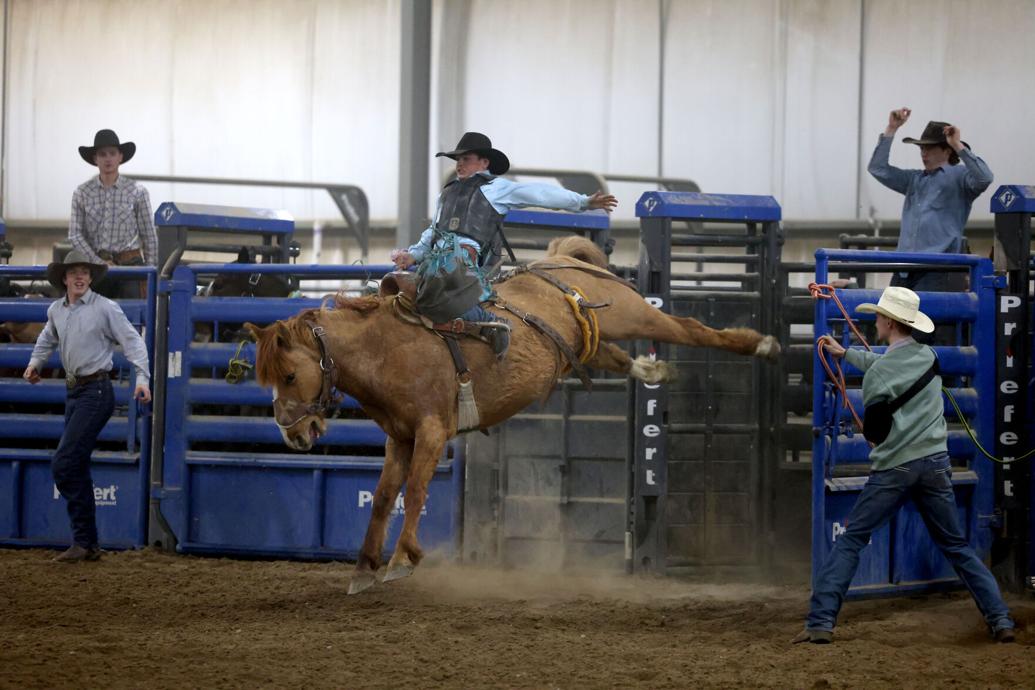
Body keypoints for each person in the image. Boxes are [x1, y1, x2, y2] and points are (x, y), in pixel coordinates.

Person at [793, 286, 1015, 645]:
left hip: (895, 469)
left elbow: (876, 430)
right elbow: (889, 366)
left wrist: (869, 430)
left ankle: (820, 622)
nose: (875, 321)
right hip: (936, 465)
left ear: (890, 323)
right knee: (957, 546)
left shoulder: (877, 377)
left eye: (879, 316)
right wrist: (847, 353)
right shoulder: (929, 357)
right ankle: (1000, 619)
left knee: (852, 540)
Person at [391, 132, 617, 357]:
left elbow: (541, 194)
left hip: (462, 259)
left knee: (439, 296)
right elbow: (434, 231)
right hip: (437, 260)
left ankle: (492, 324)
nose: (459, 164)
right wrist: (413, 255)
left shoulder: (498, 188)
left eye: (466, 159)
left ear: (484, 162)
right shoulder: (446, 194)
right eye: (458, 160)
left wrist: (583, 201)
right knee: (396, 289)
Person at [24, 250, 152, 562]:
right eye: (74, 272)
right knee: (75, 465)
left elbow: (132, 341)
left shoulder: (106, 307)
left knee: (64, 463)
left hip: (96, 391)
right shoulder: (57, 310)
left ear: (90, 278)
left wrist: (142, 378)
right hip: (76, 392)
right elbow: (46, 339)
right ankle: (86, 543)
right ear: (65, 278)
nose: (80, 277)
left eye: (84, 272)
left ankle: (85, 541)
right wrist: (35, 362)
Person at [867, 109, 994, 294]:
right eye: (921, 148)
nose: (923, 152)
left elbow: (985, 178)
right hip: (904, 268)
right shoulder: (914, 179)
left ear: (946, 150)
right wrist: (891, 128)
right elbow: (877, 168)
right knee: (894, 320)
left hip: (938, 270)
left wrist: (958, 144)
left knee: (927, 321)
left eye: (929, 147)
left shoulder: (961, 177)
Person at [69, 129, 157, 299]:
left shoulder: (137, 192)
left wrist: (151, 273)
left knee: (132, 316)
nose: (108, 158)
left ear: (120, 157)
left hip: (131, 265)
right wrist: (98, 262)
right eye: (102, 154)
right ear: (95, 159)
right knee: (95, 317)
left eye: (112, 153)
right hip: (97, 268)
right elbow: (75, 235)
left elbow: (149, 236)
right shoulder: (82, 193)